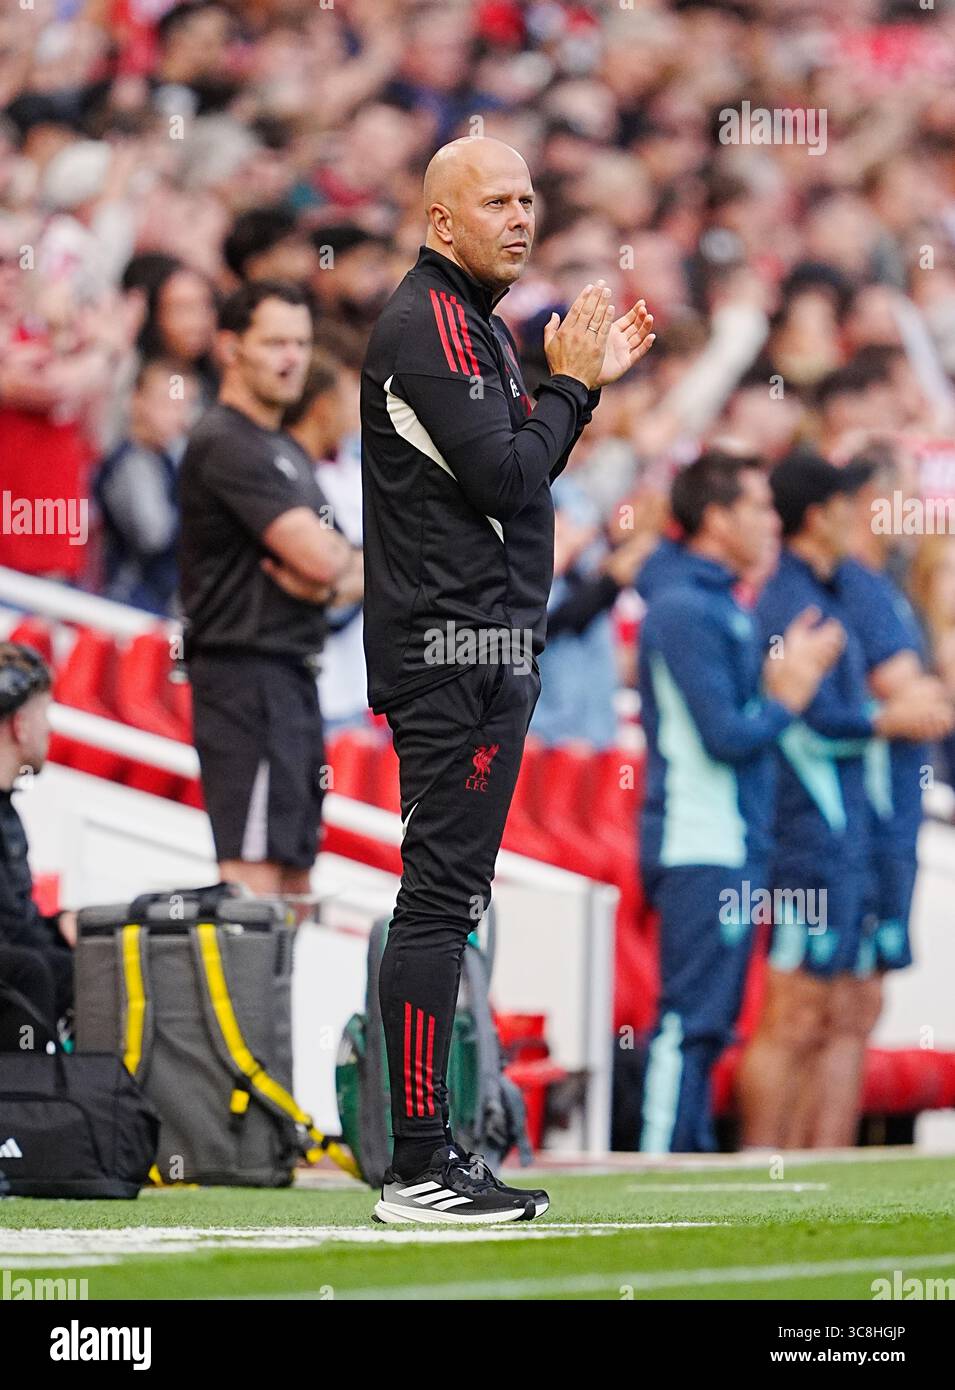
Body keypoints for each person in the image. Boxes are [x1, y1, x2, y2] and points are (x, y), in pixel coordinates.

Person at [360, 135, 655, 1222]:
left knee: (448, 899)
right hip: (452, 650)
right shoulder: (429, 323)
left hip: (481, 646)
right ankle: (419, 1164)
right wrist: (571, 386)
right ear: (442, 222)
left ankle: (433, 1156)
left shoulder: (470, 320)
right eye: (497, 199)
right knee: (437, 901)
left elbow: (512, 480)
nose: (521, 215)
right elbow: (509, 474)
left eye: (530, 196)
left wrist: (562, 391)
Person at [738, 451, 952, 1149]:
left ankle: (822, 1164)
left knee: (845, 1007)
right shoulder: (792, 597)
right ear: (823, 513)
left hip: (852, 831)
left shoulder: (837, 587)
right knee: (795, 1008)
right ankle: (758, 1168)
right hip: (806, 829)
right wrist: (884, 717)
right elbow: (808, 714)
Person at [637, 452, 844, 1153]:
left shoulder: (719, 601)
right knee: (687, 1019)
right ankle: (657, 1161)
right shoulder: (684, 606)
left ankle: (685, 1154)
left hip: (732, 841)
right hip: (700, 839)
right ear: (716, 518)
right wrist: (789, 692)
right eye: (756, 506)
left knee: (714, 1021)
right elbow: (725, 735)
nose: (771, 521)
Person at [177, 280, 362, 898]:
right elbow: (320, 557)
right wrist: (332, 570)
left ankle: (274, 1002)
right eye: (275, 342)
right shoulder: (224, 441)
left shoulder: (284, 448)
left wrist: (335, 572)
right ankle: (246, 1000)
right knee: (252, 888)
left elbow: (345, 571)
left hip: (293, 676)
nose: (292, 358)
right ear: (229, 348)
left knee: (295, 881)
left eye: (302, 343)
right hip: (244, 678)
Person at [0, 643, 75, 1052]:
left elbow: (15, 924)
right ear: (20, 725)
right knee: (36, 971)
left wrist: (61, 923)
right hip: (15, 979)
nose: (49, 730)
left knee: (103, 958)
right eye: (44, 715)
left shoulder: (8, 813)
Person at [94, 357, 199, 615]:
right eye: (168, 405)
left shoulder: (167, 460)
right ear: (136, 401)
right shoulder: (130, 462)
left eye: (185, 407)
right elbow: (153, 533)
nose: (179, 418)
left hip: (158, 605)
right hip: (125, 603)